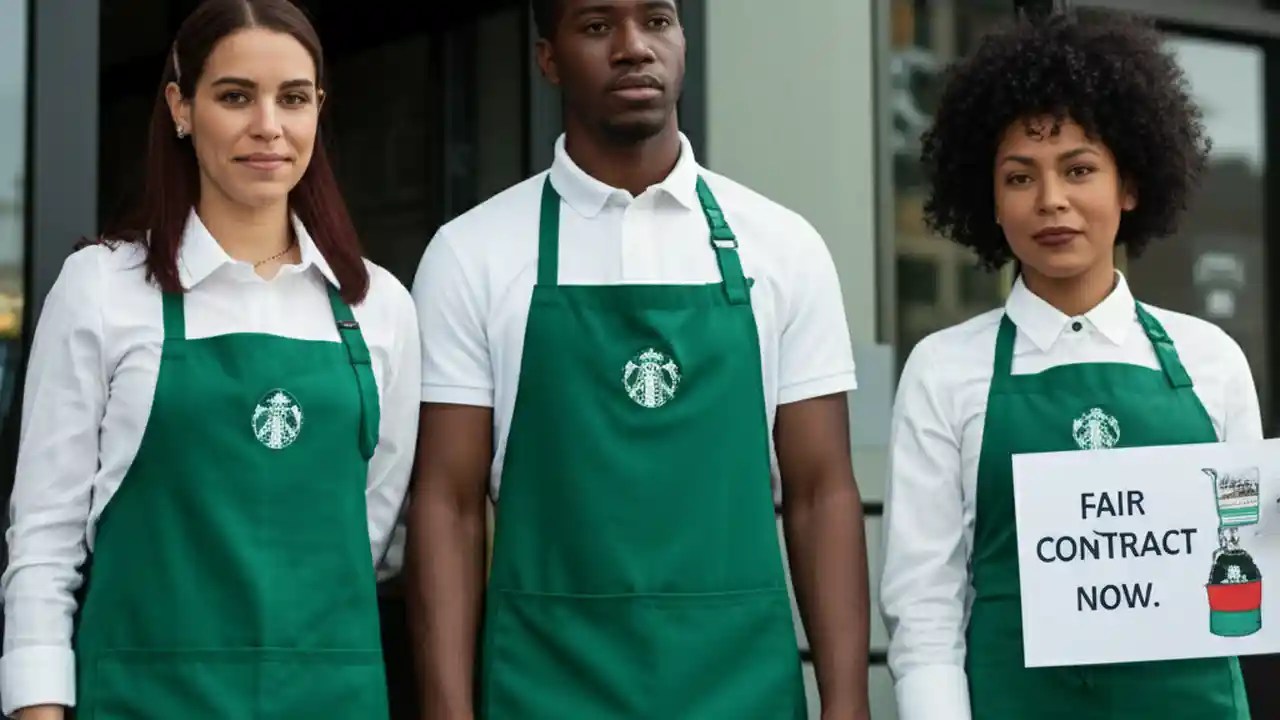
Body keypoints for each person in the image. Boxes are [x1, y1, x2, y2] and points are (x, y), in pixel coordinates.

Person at [407, 0, 870, 717]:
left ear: (683, 40)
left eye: (657, 21)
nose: (633, 48)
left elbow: (821, 494)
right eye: (597, 27)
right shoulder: (473, 253)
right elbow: (448, 504)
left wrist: (847, 704)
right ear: (548, 58)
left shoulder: (783, 247)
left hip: (739, 683)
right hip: (544, 682)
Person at [0, 1, 420, 718]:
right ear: (181, 108)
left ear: (319, 110)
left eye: (293, 98)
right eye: (234, 96)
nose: (268, 126)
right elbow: (44, 537)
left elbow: (372, 534)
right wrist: (39, 705)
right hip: (143, 696)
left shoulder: (379, 305)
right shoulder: (104, 288)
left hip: (328, 695)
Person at [879, 10, 1258, 720]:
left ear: (1130, 186)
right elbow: (924, 611)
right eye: (1020, 177)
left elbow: (1244, 569)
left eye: (1079, 169)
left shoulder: (1214, 361)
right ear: (989, 200)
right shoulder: (943, 369)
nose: (1051, 200)